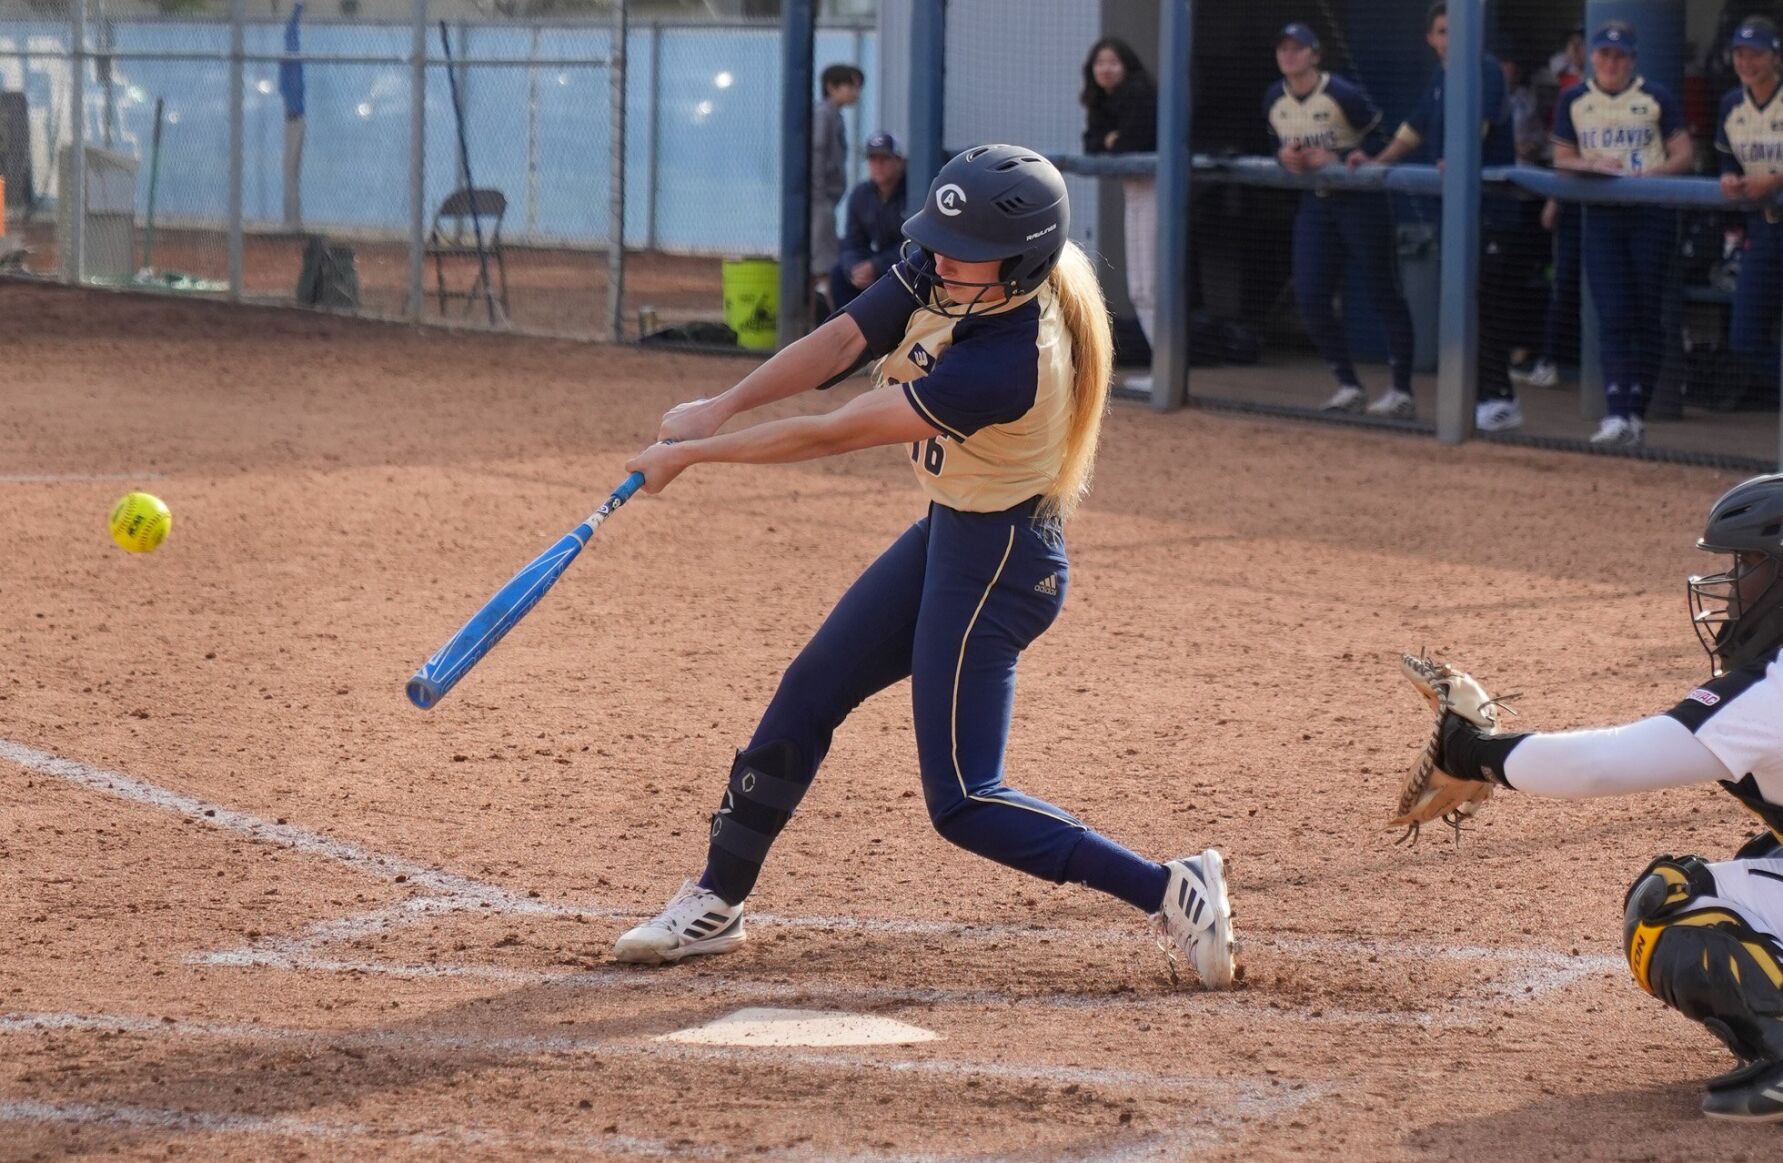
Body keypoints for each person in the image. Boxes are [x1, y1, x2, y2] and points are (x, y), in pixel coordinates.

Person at [611, 145, 1237, 989]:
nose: (938, 255)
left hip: (1000, 564)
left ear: (1020, 258)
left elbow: (834, 430)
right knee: (811, 685)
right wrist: (719, 404)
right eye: (939, 235)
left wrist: (698, 456)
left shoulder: (1010, 361)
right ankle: (716, 902)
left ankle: (1169, 887)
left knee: (965, 800)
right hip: (951, 532)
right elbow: (841, 338)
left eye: (962, 242)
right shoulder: (953, 272)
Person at [1424, 472, 1783, 1122]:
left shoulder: (1772, 690)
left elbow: (1600, 765)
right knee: (1767, 847)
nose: (1731, 585)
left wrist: (1473, 753)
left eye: (1751, 562)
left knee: (1669, 902)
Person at [1347, 1, 1524, 433]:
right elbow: (1413, 128)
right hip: (1458, 215)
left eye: (1455, 30)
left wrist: (1461, 157)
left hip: (1491, 213)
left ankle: (1500, 398)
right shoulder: (1442, 76)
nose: (1449, 38)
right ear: (1430, 38)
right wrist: (1377, 162)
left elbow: (1477, 127)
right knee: (1465, 302)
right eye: (1442, 31)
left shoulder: (1484, 69)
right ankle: (1481, 395)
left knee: (1487, 306)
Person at [1552, 21, 1694, 447]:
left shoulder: (1656, 96)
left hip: (1651, 214)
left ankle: (1636, 410)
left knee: (1647, 316)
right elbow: (1562, 156)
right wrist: (1590, 166)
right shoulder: (1574, 98)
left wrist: (1654, 174)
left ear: (1632, 59)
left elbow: (1685, 153)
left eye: (1620, 56)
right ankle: (1617, 414)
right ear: (1592, 56)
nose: (1611, 63)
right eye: (1604, 54)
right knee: (1612, 315)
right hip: (1602, 216)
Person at [1265, 21, 1418, 419]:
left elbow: (1378, 139)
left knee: (1383, 291)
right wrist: (1286, 157)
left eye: (1298, 49)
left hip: (1359, 203)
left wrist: (1346, 158)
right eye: (1283, 49)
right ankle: (1348, 384)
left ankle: (1401, 390)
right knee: (1311, 295)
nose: (1289, 55)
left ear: (1314, 54)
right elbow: (1275, 146)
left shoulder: (1341, 93)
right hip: (1315, 206)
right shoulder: (1273, 99)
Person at [1081, 37, 1159, 373]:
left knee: (1153, 284)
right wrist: (1108, 141)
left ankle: (1167, 369)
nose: (1106, 69)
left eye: (1113, 62)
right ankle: (1161, 366)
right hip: (1136, 191)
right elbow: (1092, 147)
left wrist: (1114, 141)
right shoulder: (1103, 102)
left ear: (1126, 65)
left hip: (1158, 190)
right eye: (1100, 62)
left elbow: (1131, 142)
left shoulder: (1138, 92)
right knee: (1139, 286)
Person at [1717, 17, 1783, 410]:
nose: (1747, 61)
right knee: (1745, 336)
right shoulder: (1731, 104)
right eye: (1740, 53)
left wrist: (1774, 181)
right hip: (1764, 230)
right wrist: (1729, 179)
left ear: (1775, 56)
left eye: (1756, 53)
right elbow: (1726, 161)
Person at [828, 130, 907, 314]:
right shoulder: (861, 194)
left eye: (884, 159)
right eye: (872, 159)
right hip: (876, 266)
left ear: (899, 161)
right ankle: (845, 332)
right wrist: (854, 267)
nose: (877, 165)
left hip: (902, 266)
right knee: (839, 273)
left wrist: (876, 266)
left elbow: (915, 246)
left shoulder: (915, 190)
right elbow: (852, 242)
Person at [812, 63, 864, 315]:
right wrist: (819, 192)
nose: (856, 93)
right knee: (825, 263)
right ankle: (830, 319)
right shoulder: (824, 113)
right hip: (819, 199)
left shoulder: (834, 114)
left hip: (826, 199)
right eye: (851, 86)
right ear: (832, 87)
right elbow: (818, 152)